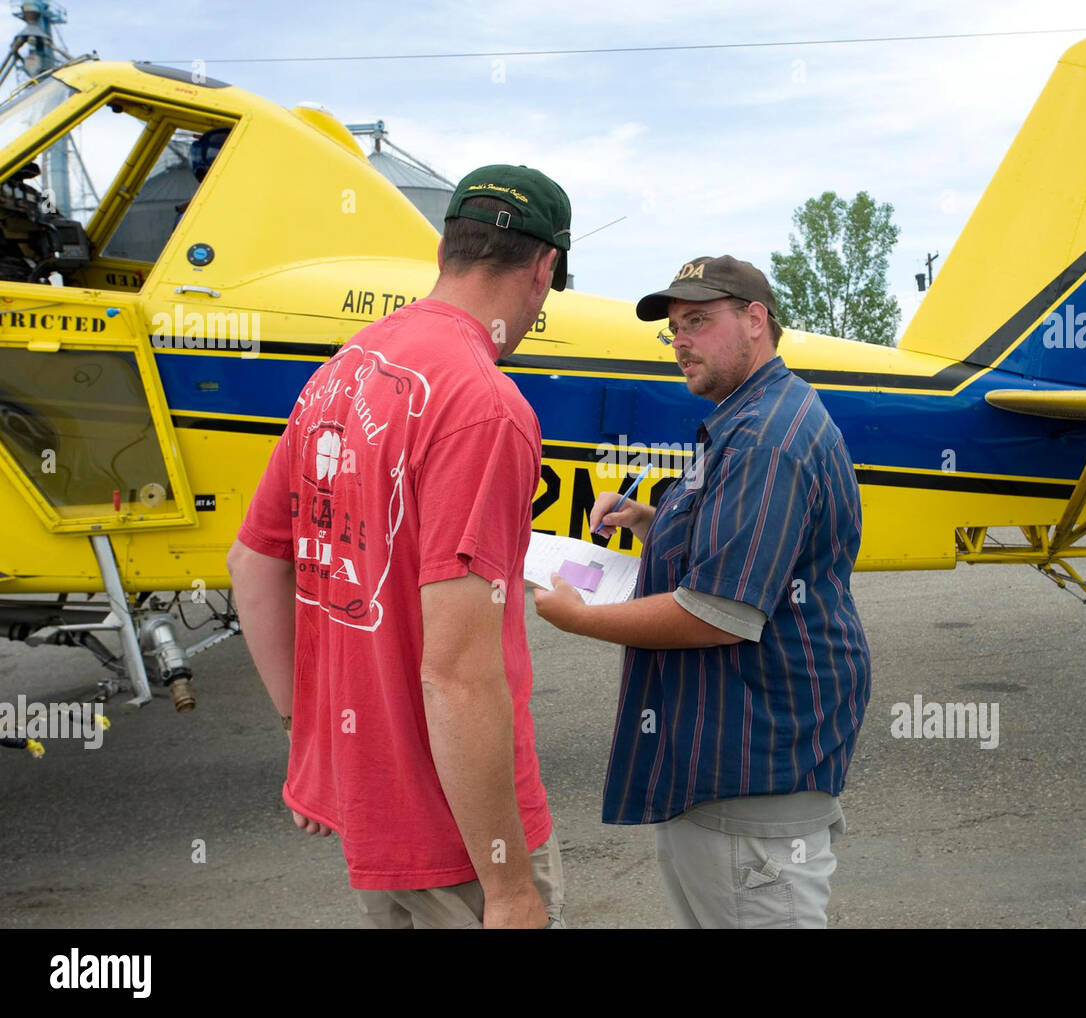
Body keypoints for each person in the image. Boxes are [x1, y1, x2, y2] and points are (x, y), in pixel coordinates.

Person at [227, 164, 572, 929]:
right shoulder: (485, 404)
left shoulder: (341, 369)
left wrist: (310, 743)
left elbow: (252, 562)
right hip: (457, 841)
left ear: (448, 250)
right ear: (544, 268)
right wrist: (510, 887)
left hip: (369, 812)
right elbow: (457, 675)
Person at [534, 255, 870, 929]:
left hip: (751, 778)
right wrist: (650, 523)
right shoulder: (753, 415)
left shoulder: (761, 439)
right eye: (674, 328)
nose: (680, 340)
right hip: (737, 765)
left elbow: (718, 614)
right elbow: (752, 547)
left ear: (755, 320)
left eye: (698, 321)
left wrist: (579, 618)